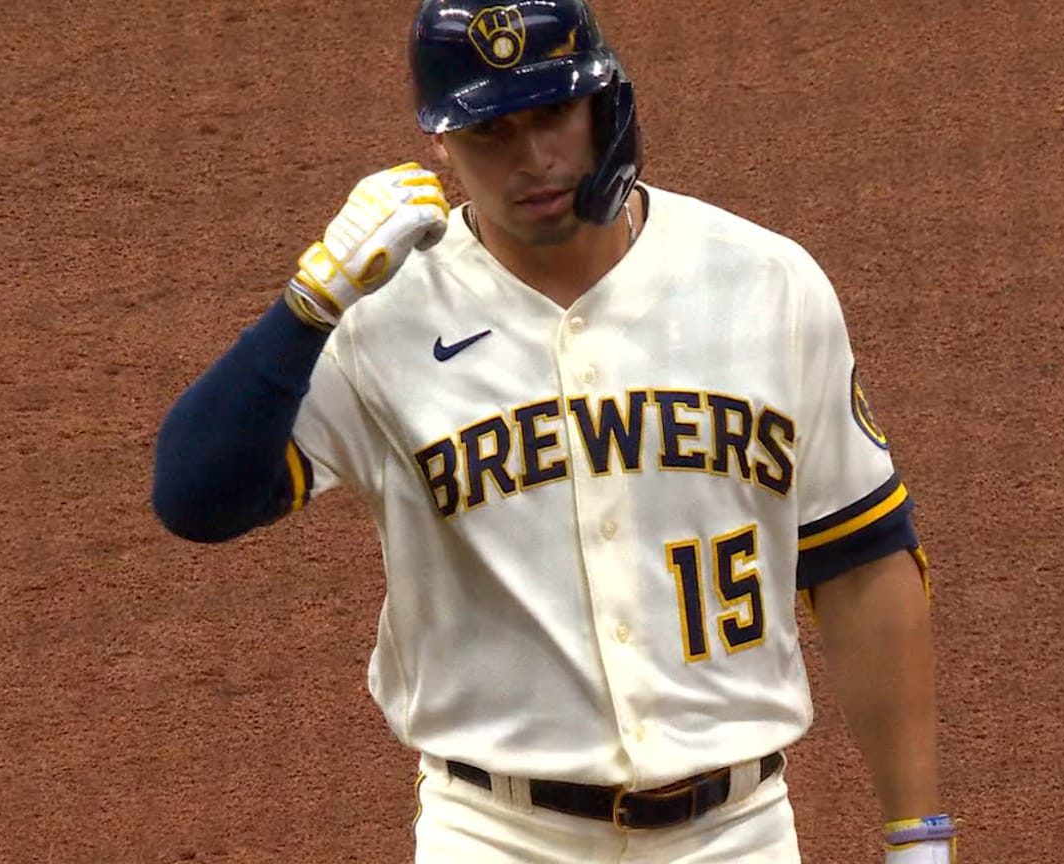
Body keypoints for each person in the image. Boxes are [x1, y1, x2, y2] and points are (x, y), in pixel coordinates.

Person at [150, 0, 956, 861]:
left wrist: (919, 838)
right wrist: (307, 310)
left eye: (553, 116)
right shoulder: (385, 320)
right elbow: (196, 498)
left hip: (737, 835)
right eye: (490, 131)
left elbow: (862, 563)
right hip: (497, 835)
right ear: (438, 143)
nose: (533, 160)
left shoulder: (765, 283)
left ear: (605, 103)